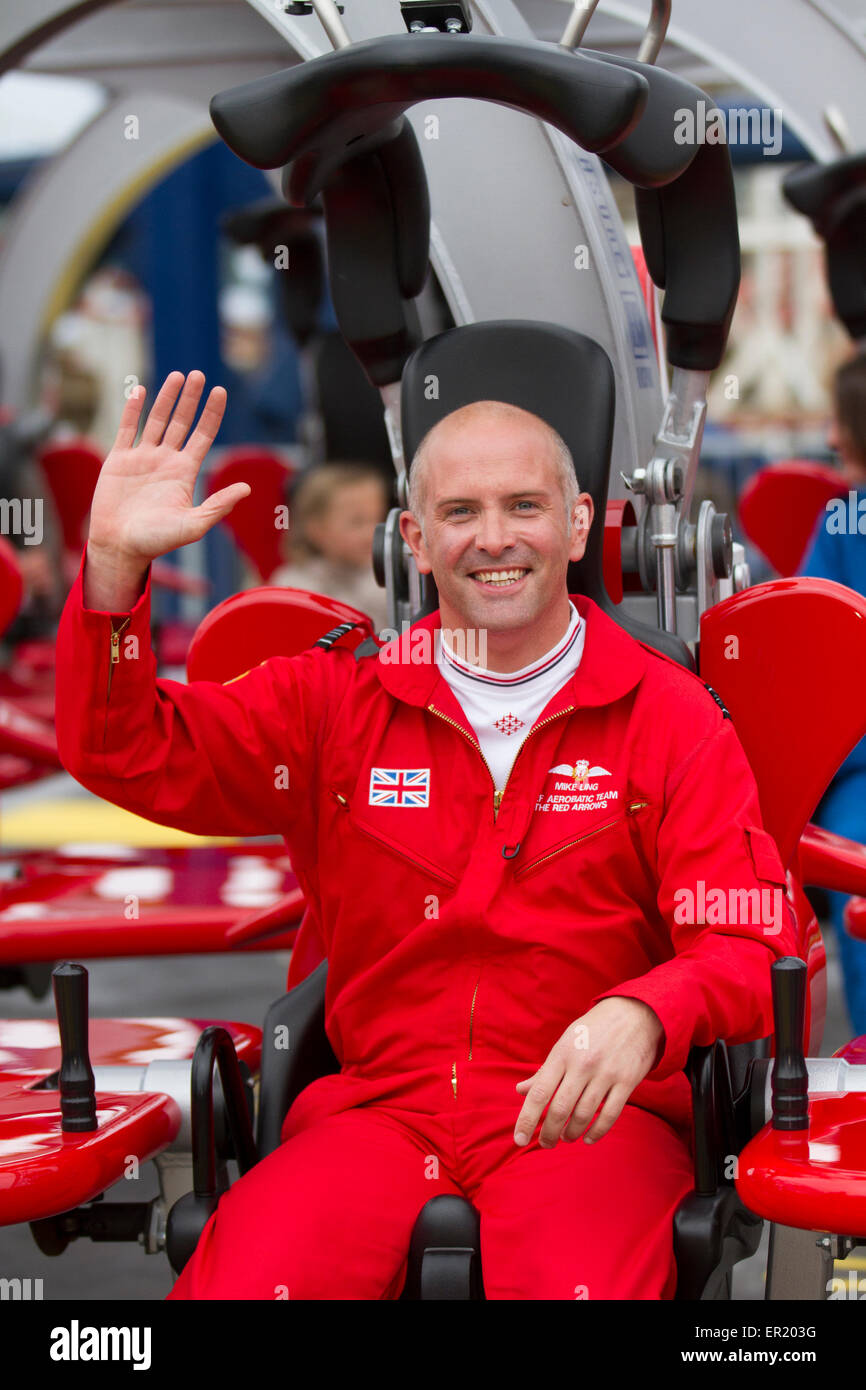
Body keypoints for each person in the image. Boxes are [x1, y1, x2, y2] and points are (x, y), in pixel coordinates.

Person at [55, 370, 798, 1300]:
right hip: (377, 1116)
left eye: (524, 506)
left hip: (587, 1122)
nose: (493, 539)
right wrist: (116, 567)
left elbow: (748, 943)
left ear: (576, 526)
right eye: (460, 511)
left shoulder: (672, 717)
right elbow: (123, 752)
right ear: (414, 538)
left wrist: (649, 1012)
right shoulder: (333, 705)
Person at [798, 351, 866, 1034]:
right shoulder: (844, 523)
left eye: (840, 421)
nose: (829, 436)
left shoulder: (844, 525)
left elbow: (800, 652)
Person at [270, 461, 390, 632]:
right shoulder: (292, 585)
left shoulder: (387, 577)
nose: (371, 532)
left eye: (378, 519)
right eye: (357, 522)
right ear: (316, 529)